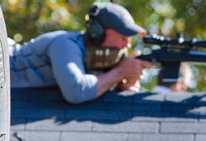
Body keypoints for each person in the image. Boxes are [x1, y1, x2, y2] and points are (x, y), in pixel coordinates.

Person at [9, 2, 154, 104]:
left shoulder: (102, 57)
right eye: (122, 37)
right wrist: (120, 72)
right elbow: (76, 91)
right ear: (97, 32)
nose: (127, 44)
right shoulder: (65, 44)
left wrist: (126, 85)